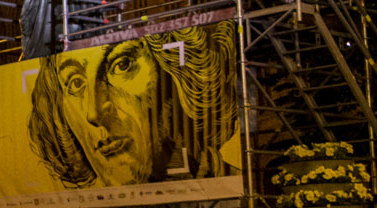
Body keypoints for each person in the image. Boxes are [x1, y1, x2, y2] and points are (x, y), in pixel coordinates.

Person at [28, 22, 238, 189]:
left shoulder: (238, 188)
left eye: (122, 65)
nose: (94, 113)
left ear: (176, 70)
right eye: (75, 83)